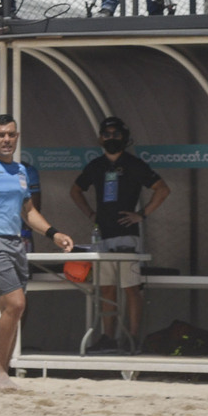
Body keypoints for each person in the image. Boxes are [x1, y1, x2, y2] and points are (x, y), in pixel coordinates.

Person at [0, 115, 73, 391]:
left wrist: (53, 233)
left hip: (16, 243)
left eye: (11, 134)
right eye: (1, 135)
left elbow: (28, 211)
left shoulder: (21, 171)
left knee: (11, 308)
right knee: (16, 303)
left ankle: (2, 371)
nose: (6, 139)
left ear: (17, 137)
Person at [69, 116, 170, 349]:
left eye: (116, 134)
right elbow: (75, 190)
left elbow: (163, 189)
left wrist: (142, 214)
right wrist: (90, 214)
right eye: (107, 134)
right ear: (100, 138)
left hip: (127, 235)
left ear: (124, 137)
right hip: (103, 235)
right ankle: (108, 337)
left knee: (130, 287)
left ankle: (132, 337)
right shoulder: (96, 165)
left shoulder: (134, 164)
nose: (111, 138)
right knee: (107, 287)